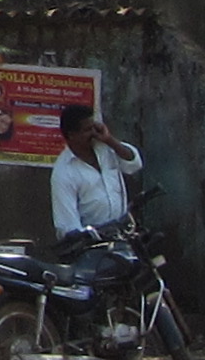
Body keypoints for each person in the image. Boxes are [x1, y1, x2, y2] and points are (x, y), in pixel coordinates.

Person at [50, 104, 144, 254]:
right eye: (87, 130)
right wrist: (90, 243)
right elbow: (67, 224)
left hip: (124, 238)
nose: (93, 133)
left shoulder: (106, 149)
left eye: (94, 127)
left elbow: (134, 164)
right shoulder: (63, 172)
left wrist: (109, 140)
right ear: (71, 135)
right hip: (96, 248)